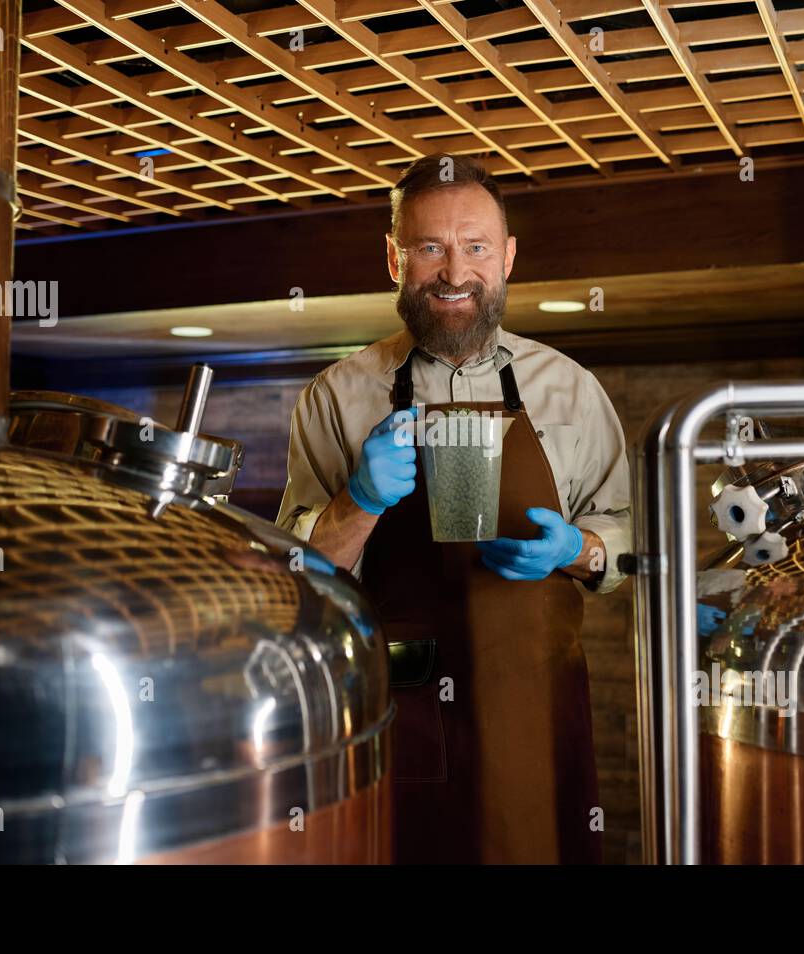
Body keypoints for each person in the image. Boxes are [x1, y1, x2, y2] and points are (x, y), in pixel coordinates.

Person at [276, 153, 631, 864]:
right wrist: (360, 502)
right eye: (430, 247)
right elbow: (295, 578)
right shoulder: (336, 396)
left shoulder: (570, 390)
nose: (455, 271)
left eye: (475, 248)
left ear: (507, 257)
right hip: (400, 717)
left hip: (539, 716)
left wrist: (580, 550)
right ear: (394, 258)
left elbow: (627, 538)